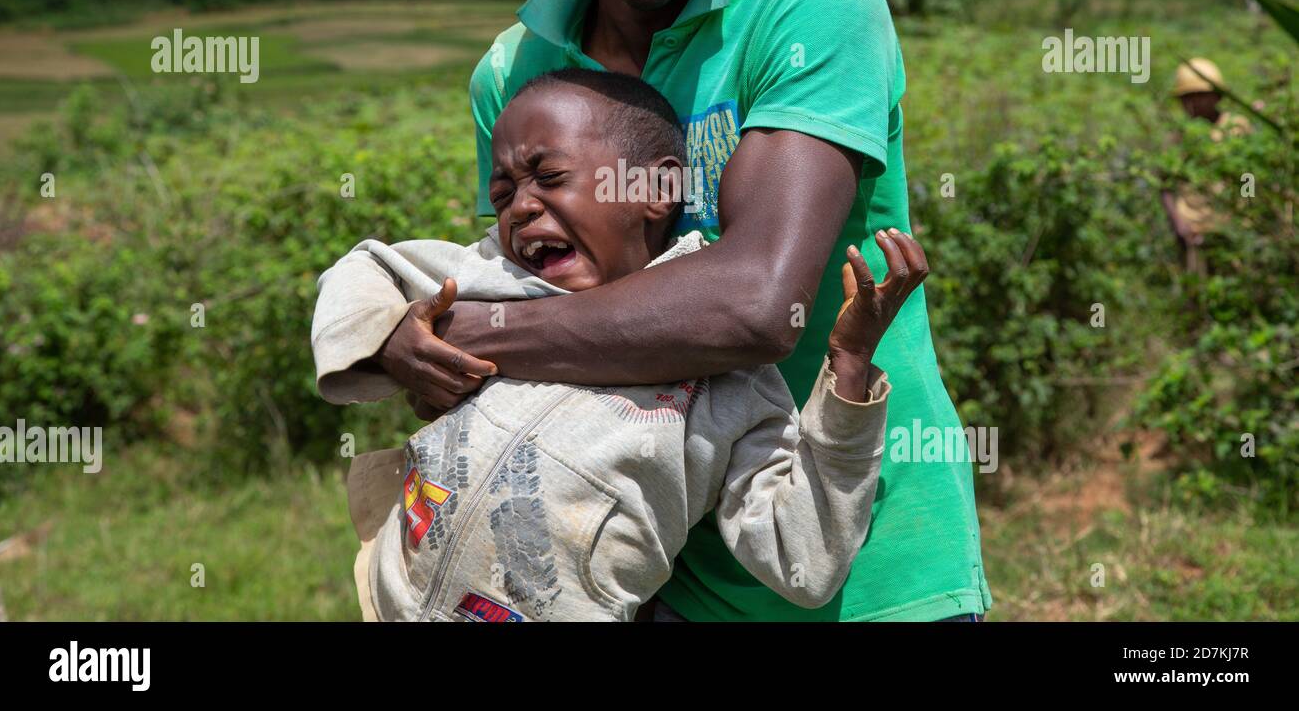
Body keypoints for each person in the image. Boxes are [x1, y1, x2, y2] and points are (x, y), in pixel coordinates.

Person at [318, 0, 991, 622]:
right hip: (646, 587)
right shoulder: (515, 75)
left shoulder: (811, 4)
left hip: (868, 576)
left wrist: (464, 333)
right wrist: (411, 352)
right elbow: (535, 285)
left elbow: (756, 306)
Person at [314, 70, 922, 621]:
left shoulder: (727, 379)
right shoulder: (482, 277)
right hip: (393, 600)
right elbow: (361, 269)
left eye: (549, 179)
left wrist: (847, 369)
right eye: (502, 196)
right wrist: (391, 338)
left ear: (655, 188)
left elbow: (803, 559)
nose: (520, 209)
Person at [1160, 57, 1252, 274]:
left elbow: (1249, 175)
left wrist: (1245, 210)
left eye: (1200, 95)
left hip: (1231, 227)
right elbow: (1164, 186)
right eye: (1187, 97)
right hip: (1192, 229)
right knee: (1197, 293)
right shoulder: (1178, 137)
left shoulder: (1236, 128)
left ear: (1216, 95)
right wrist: (1179, 224)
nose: (1193, 103)